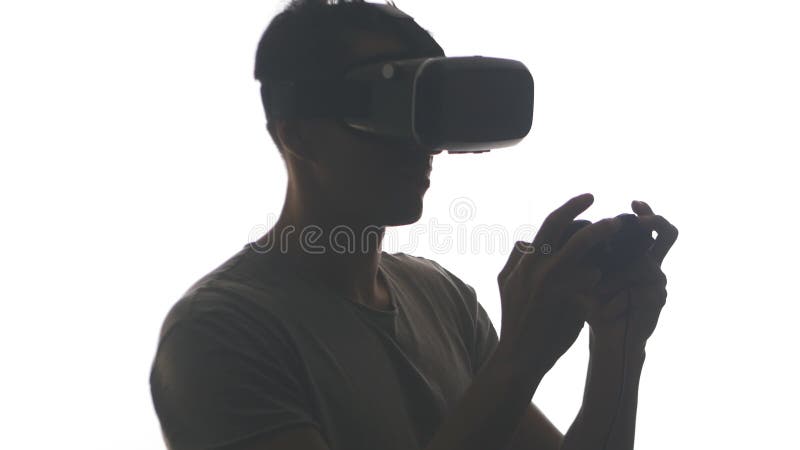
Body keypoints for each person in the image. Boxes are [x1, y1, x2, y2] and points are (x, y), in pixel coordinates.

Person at [148, 1, 679, 450]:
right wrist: (523, 353)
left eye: (429, 111)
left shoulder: (442, 298)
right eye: (388, 112)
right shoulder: (218, 335)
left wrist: (619, 348)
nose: (422, 143)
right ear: (300, 137)